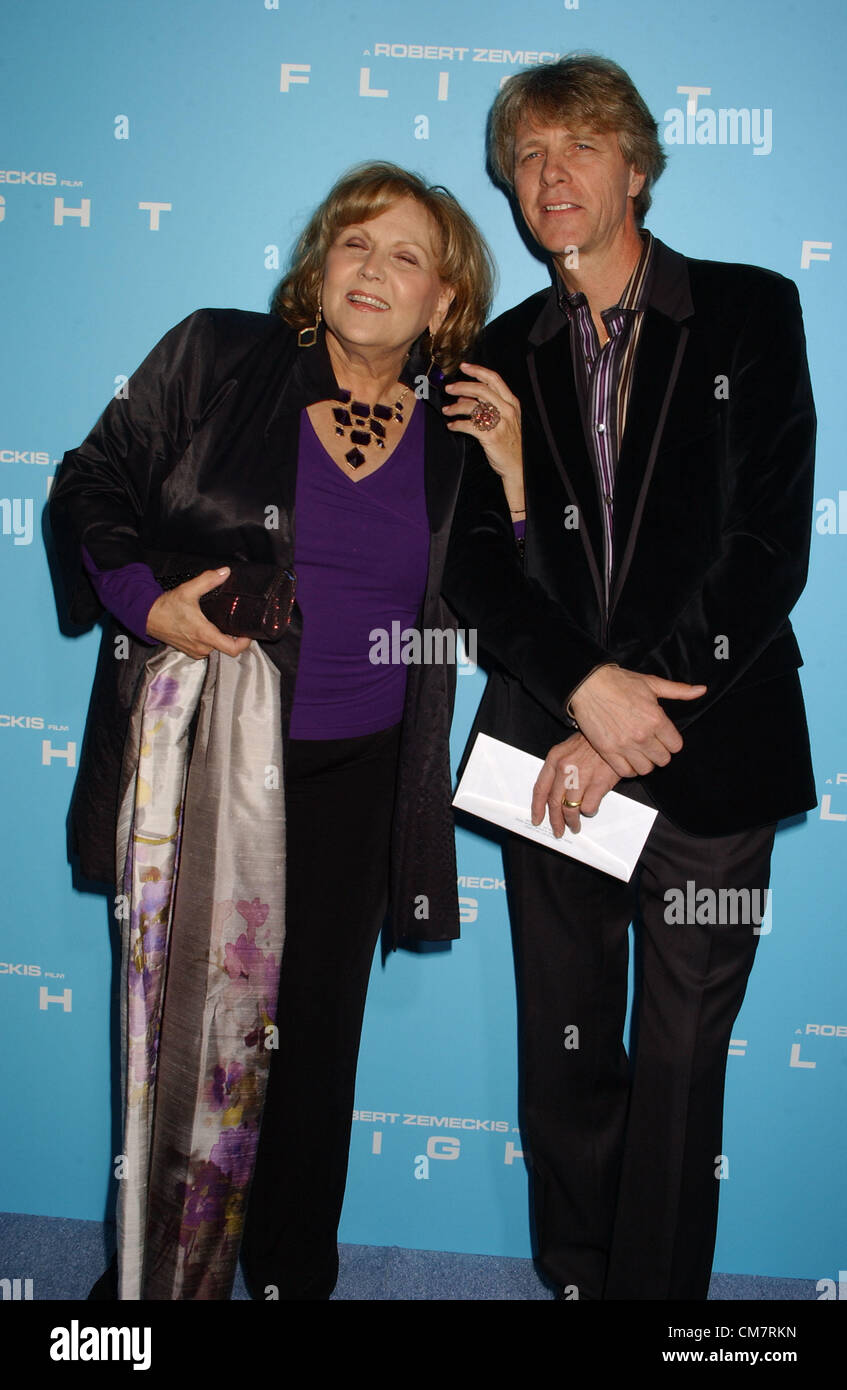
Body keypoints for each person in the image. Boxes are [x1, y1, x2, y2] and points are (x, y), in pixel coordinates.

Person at [49, 161, 518, 1301]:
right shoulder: (219, 358)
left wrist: (511, 475)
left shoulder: (456, 432)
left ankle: (290, 1276)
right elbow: (86, 485)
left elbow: (512, 603)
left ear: (443, 302)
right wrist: (145, 601)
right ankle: (150, 1293)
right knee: (186, 1040)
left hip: (362, 774)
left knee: (314, 1045)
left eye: (408, 256)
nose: (375, 269)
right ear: (322, 263)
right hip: (209, 761)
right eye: (357, 242)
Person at [440, 55, 816, 1300]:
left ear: (637, 168)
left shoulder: (751, 314)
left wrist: (619, 712)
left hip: (708, 751)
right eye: (529, 155)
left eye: (580, 147)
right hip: (547, 751)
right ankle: (575, 1279)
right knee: (563, 1056)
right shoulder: (495, 352)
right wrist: (578, 697)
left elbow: (764, 553)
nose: (551, 175)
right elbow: (479, 575)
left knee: (676, 1067)